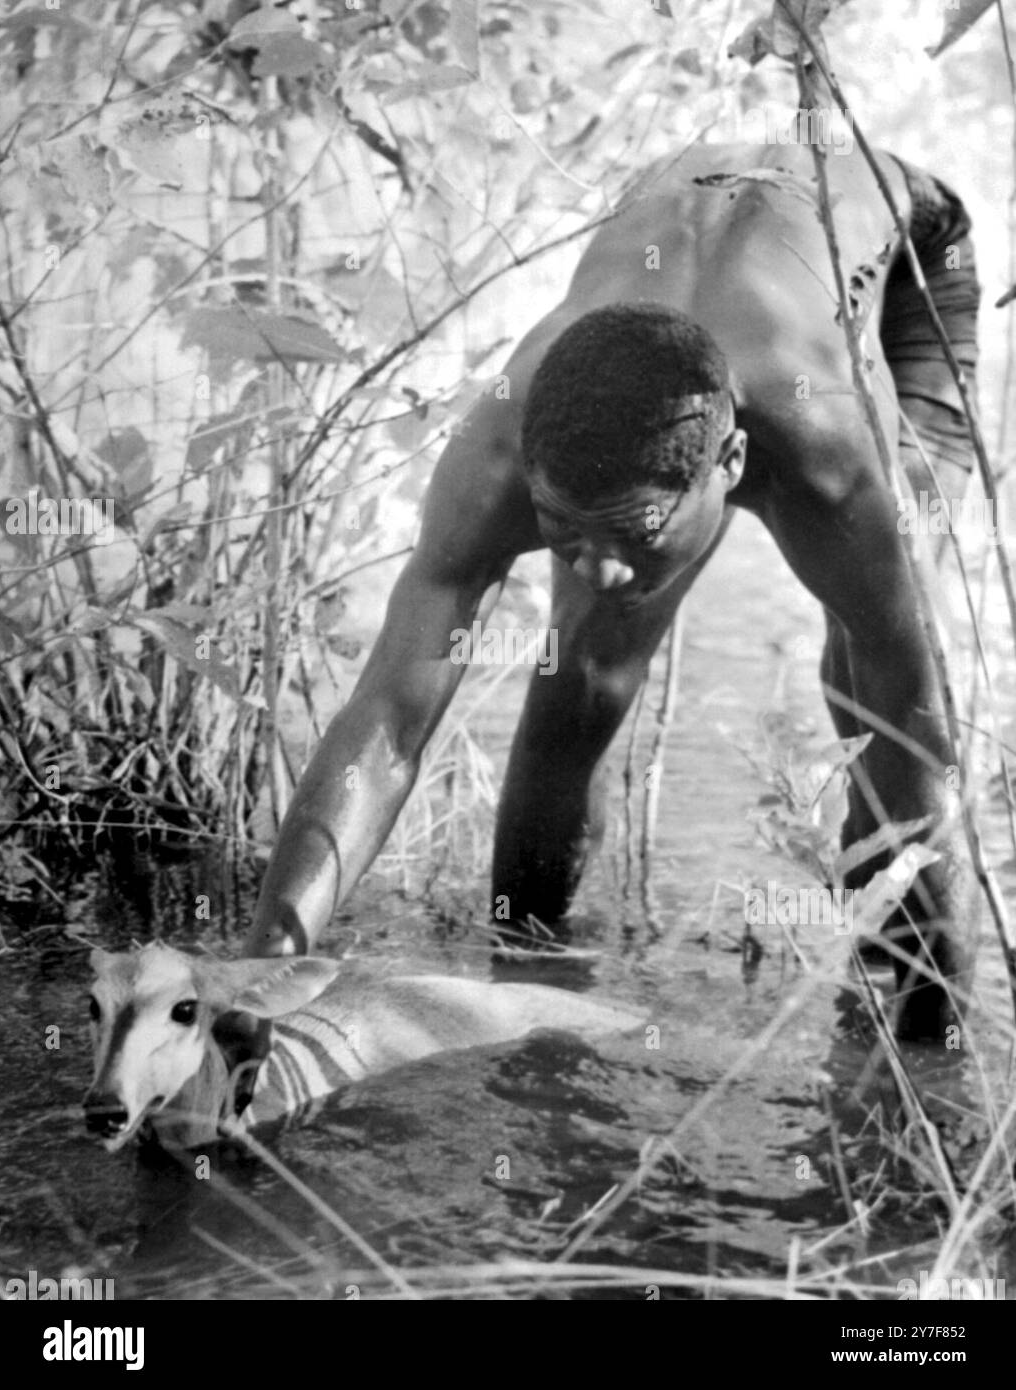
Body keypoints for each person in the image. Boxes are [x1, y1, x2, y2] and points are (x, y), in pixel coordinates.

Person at [245, 140, 982, 1041]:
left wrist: (937, 1039)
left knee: (873, 681)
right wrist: (266, 974)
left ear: (733, 465)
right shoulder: (497, 447)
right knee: (586, 663)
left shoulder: (827, 452)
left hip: (912, 252)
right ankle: (525, 961)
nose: (594, 567)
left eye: (633, 534)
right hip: (695, 198)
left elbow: (918, 729)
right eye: (562, 530)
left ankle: (898, 1025)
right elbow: (390, 728)